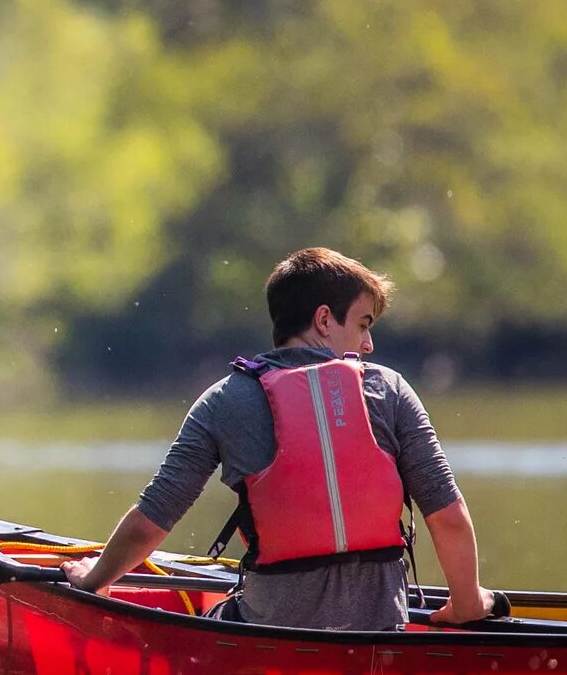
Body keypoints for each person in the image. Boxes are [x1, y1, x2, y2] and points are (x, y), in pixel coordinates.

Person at [70, 247, 495, 631]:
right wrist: (467, 604)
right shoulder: (390, 389)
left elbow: (151, 521)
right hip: (380, 628)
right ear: (325, 319)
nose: (368, 344)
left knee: (209, 616)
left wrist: (93, 580)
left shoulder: (223, 400)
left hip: (270, 628)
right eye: (363, 325)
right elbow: (448, 517)